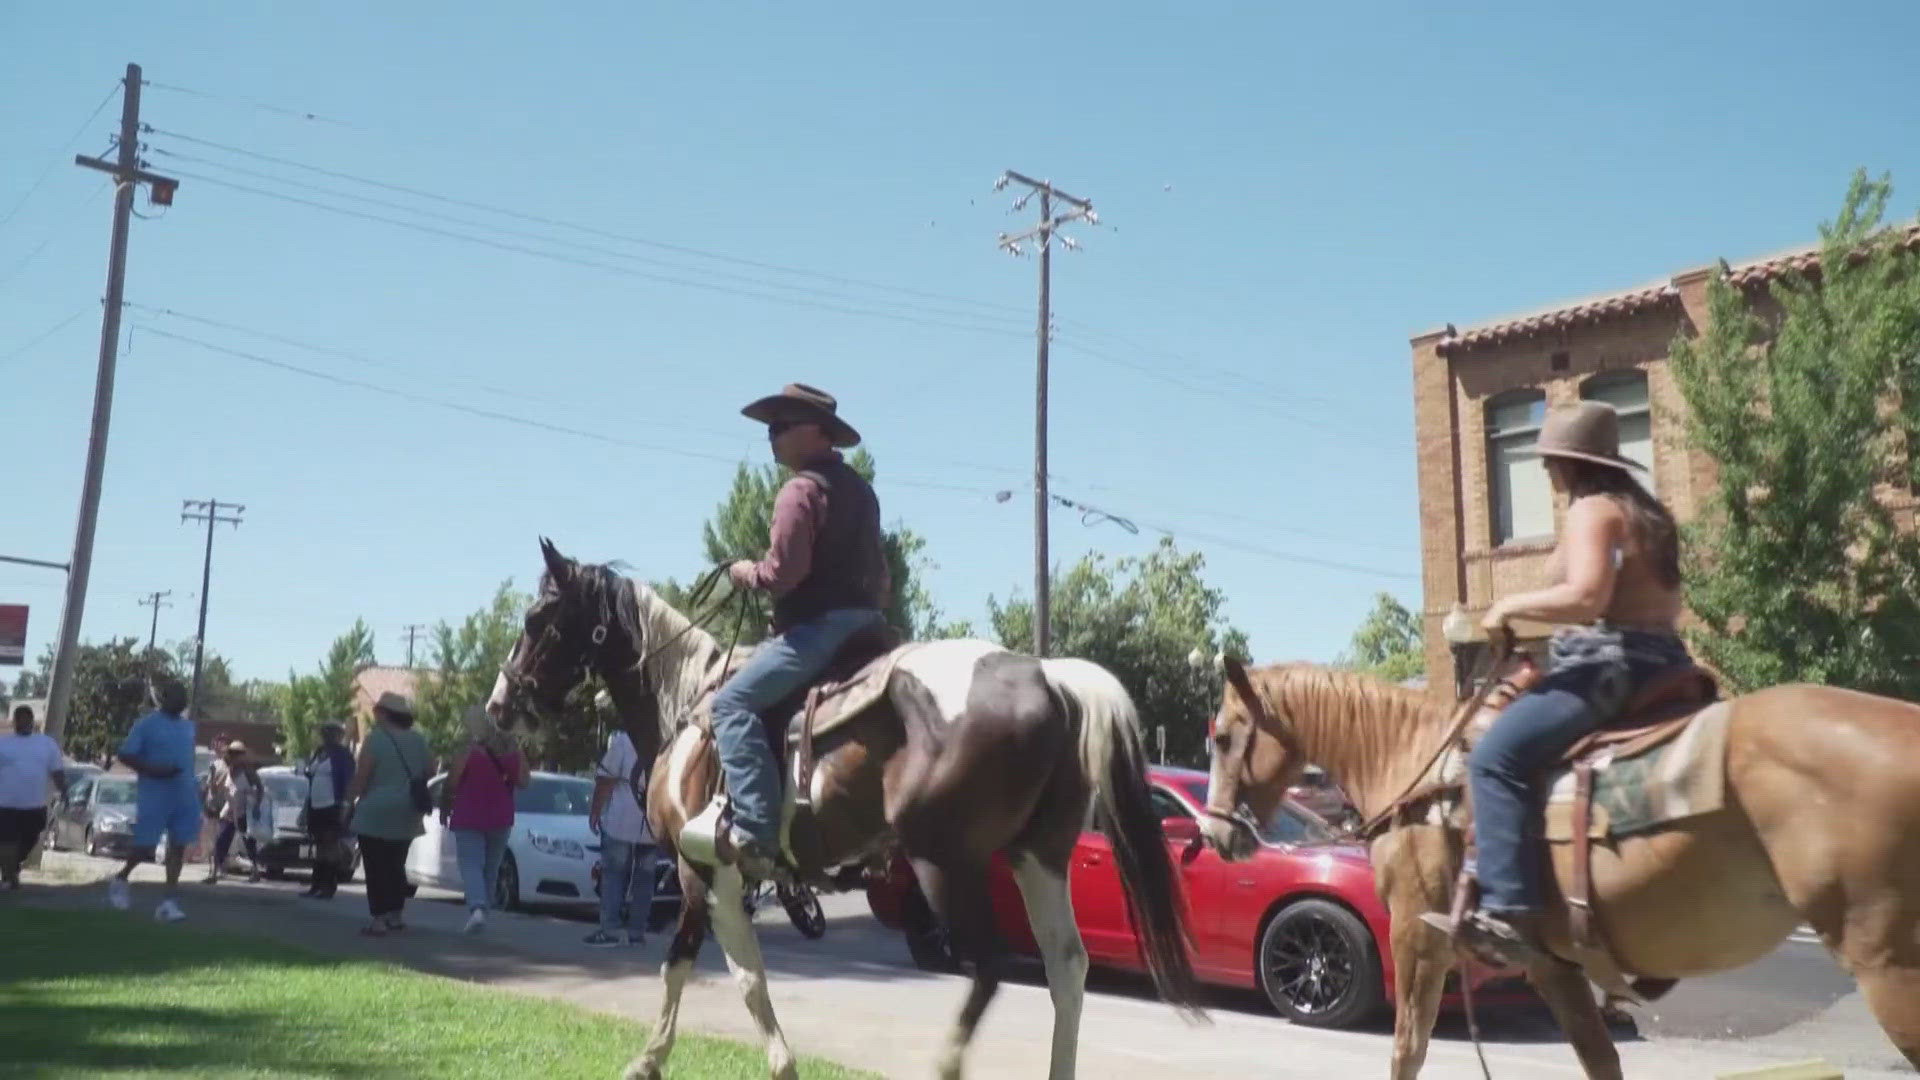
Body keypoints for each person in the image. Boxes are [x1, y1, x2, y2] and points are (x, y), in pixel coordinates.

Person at [1444, 400, 1692, 966]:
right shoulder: (1648, 515)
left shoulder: (1593, 510)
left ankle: (1507, 907)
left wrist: (1507, 605)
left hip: (1609, 668)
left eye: (1550, 460)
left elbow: (1587, 597)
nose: (1546, 472)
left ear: (1572, 463)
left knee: (1492, 760)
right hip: (1669, 663)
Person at [710, 383, 891, 878]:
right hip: (872, 629)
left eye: (781, 425)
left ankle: (756, 833)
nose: (771, 437)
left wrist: (745, 573)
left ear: (816, 431)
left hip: (818, 631)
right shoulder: (862, 490)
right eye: (771, 428)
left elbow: (783, 574)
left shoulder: (801, 490)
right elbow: (881, 572)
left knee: (729, 705)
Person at [109, 678, 201, 922]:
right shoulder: (146, 725)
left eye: (184, 695)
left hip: (183, 795)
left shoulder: (189, 727)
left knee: (177, 846)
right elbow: (125, 754)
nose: (182, 700)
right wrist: (154, 770)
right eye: (176, 695)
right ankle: (121, 878)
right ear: (163, 698)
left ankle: (169, 902)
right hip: (155, 794)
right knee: (145, 846)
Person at [344, 692, 432, 936]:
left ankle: (378, 919)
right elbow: (430, 769)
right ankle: (396, 914)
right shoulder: (418, 740)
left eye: (377, 710)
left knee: (375, 867)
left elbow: (362, 778)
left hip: (376, 810)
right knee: (396, 864)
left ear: (384, 713)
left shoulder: (375, 739)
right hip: (407, 811)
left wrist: (347, 801)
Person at [442, 704, 527, 934]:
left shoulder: (469, 751)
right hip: (501, 816)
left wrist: (445, 804)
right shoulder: (513, 752)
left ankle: (477, 908)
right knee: (491, 866)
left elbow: (451, 782)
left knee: (470, 864)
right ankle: (483, 912)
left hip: (468, 815)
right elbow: (524, 782)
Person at [584, 726, 656, 947]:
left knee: (614, 876)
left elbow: (606, 780)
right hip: (652, 822)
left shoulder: (624, 741)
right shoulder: (665, 740)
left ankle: (610, 930)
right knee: (645, 880)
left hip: (621, 819)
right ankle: (636, 933)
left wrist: (595, 811)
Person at [0, 705, 66, 890]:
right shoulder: (3, 744)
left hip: (34, 804)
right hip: (6, 805)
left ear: (32, 722)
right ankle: (9, 876)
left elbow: (57, 771)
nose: (23, 723)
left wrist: (64, 790)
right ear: (14, 722)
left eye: (26, 719)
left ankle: (11, 867)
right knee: (7, 842)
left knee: (30, 839)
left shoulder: (46, 744)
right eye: (19, 719)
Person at [299, 719, 356, 899]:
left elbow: (348, 781)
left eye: (332, 732)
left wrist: (345, 807)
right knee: (319, 846)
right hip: (316, 805)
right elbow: (311, 777)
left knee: (331, 845)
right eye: (325, 732)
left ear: (339, 735)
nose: (327, 736)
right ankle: (316, 885)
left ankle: (329, 886)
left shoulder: (343, 755)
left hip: (333, 805)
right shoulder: (320, 752)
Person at [204, 741, 264, 884]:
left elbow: (260, 788)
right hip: (229, 811)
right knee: (221, 841)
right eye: (232, 753)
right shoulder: (228, 770)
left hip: (243, 812)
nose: (234, 756)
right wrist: (214, 778)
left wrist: (256, 805)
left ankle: (255, 871)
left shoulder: (248, 772)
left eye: (237, 754)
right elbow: (217, 789)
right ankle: (214, 873)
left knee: (249, 843)